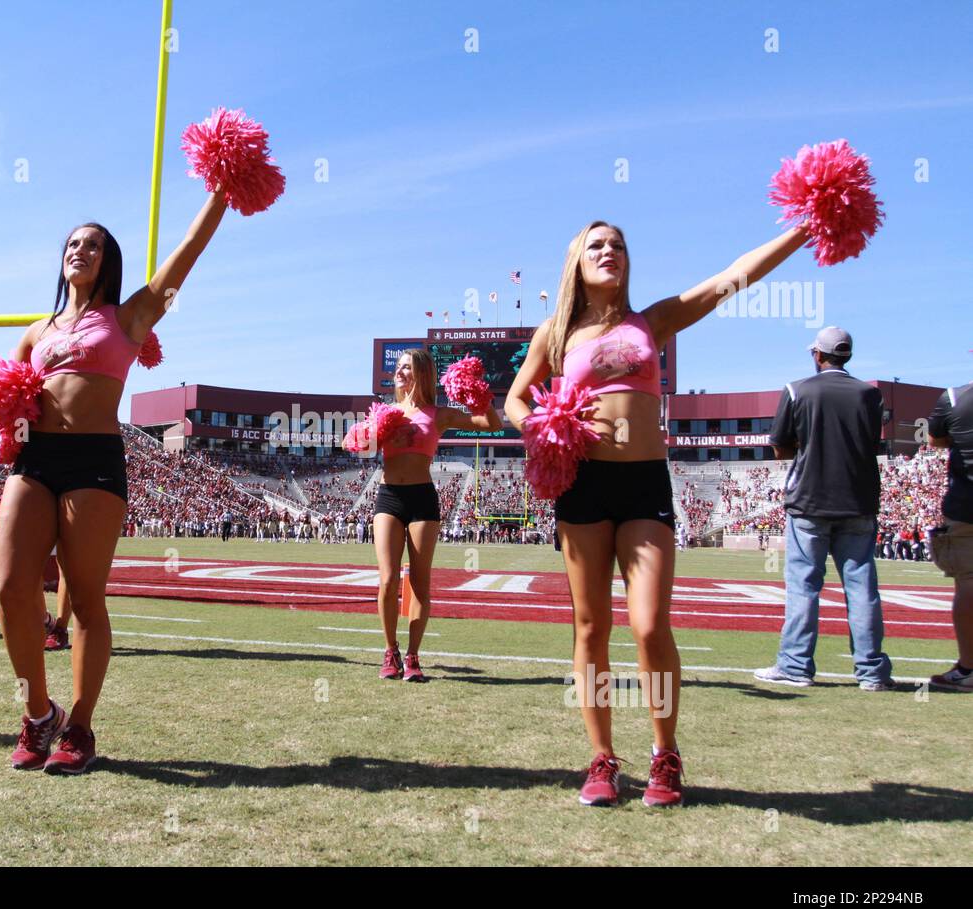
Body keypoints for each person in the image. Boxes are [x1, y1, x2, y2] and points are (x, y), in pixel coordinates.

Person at [506, 219, 809, 808]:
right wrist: (543, 428)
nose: (609, 252)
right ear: (576, 262)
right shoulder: (556, 331)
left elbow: (732, 278)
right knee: (591, 628)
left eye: (617, 245)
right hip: (583, 484)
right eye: (596, 245)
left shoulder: (653, 320)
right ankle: (601, 759)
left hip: (645, 482)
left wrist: (800, 231)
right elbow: (516, 399)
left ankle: (665, 755)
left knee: (648, 625)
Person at [0, 190, 228, 775]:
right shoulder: (36, 331)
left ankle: (79, 726)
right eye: (73, 243)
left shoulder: (130, 317)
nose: (80, 250)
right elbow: (5, 395)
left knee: (86, 599)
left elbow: (188, 253)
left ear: (109, 261)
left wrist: (221, 193)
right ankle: (38, 712)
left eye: (93, 245)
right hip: (37, 459)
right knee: (9, 588)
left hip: (94, 460)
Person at [755, 327, 894, 690]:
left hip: (809, 500)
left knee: (803, 586)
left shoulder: (796, 389)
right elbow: (869, 442)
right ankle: (872, 672)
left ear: (818, 355)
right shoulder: (870, 394)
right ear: (847, 355)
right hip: (859, 500)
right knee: (862, 588)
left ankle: (796, 666)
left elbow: (780, 448)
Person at [370, 349, 500, 682]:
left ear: (422, 373)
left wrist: (474, 391)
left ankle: (413, 656)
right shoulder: (386, 411)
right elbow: (352, 441)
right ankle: (390, 651)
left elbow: (492, 423)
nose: (399, 372)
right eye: (397, 366)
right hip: (388, 497)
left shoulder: (438, 414)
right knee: (387, 580)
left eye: (406, 367)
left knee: (419, 584)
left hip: (422, 500)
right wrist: (360, 436)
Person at [928, 377, 973, 691]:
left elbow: (936, 439)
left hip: (967, 504)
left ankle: (969, 667)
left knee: (969, 581)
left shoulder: (955, 398)